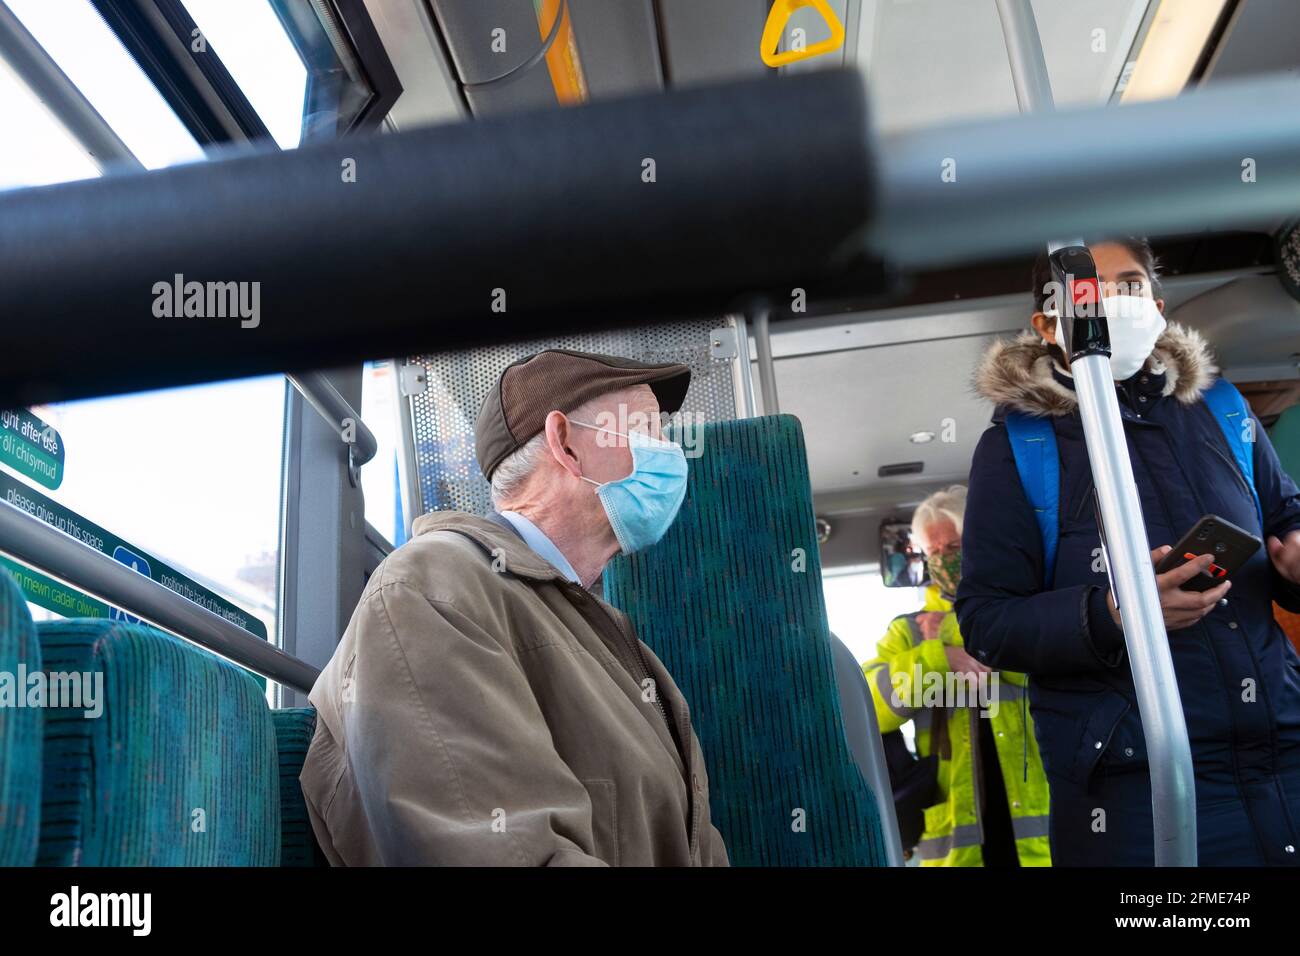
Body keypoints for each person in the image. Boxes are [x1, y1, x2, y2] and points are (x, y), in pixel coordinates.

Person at [300, 348, 730, 866]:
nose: (670, 453)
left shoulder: (597, 626)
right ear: (566, 445)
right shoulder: (431, 591)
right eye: (645, 431)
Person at [957, 237, 1300, 866]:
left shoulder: (1221, 409)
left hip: (1283, 752)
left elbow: (1285, 515)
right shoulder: (1018, 447)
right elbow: (987, 619)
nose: (1116, 301)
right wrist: (1120, 616)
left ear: (1159, 306)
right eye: (1092, 290)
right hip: (1132, 788)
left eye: (1131, 285)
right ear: (1048, 324)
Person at [864, 486, 1051, 866]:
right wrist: (938, 657)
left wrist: (952, 634)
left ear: (980, 541)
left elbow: (1046, 669)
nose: (944, 561)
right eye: (934, 553)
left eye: (953, 547)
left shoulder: (1024, 609)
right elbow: (871, 706)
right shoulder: (909, 632)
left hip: (1042, 839)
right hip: (954, 847)